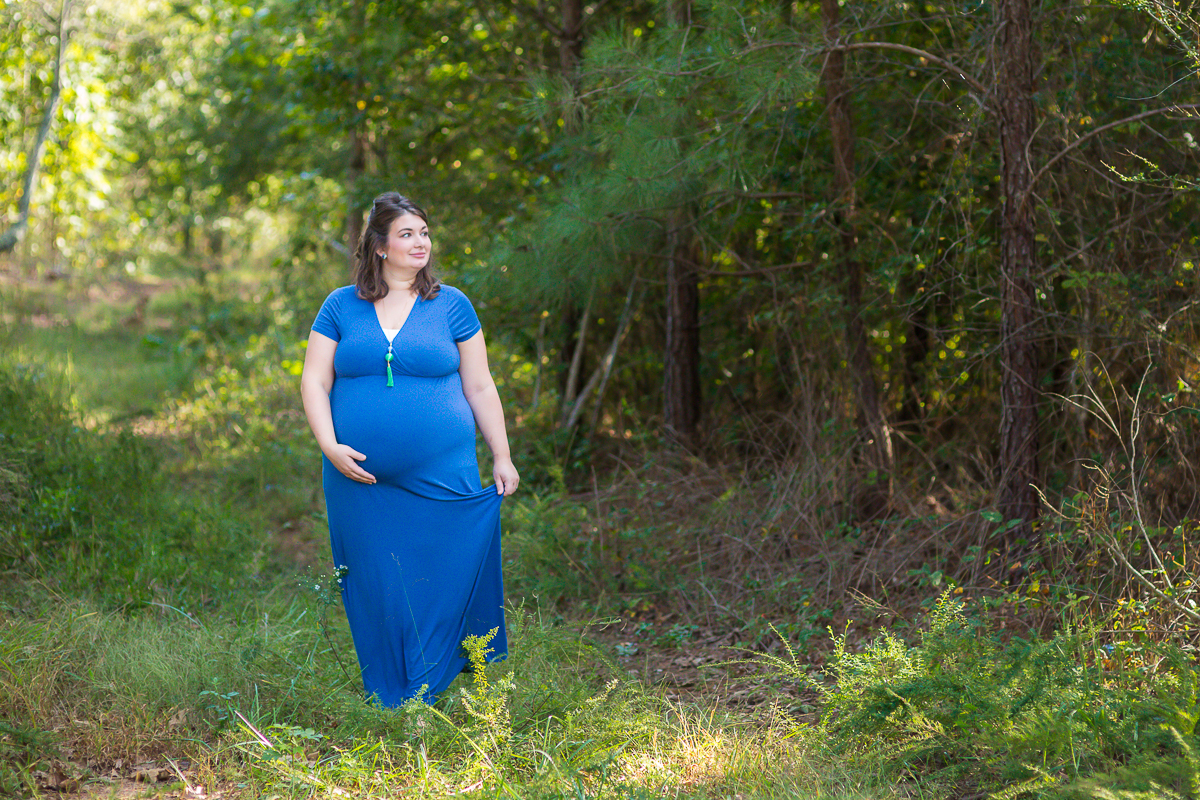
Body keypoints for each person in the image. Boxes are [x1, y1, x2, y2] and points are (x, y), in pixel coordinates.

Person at [300, 191, 519, 706]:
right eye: (406, 234)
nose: (419, 243)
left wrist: (502, 455)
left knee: (445, 567)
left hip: (444, 468)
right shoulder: (340, 306)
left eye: (423, 233)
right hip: (357, 476)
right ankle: (391, 689)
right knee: (377, 578)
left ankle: (434, 679)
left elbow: (481, 386)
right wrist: (329, 446)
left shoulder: (453, 305)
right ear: (379, 246)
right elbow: (314, 382)